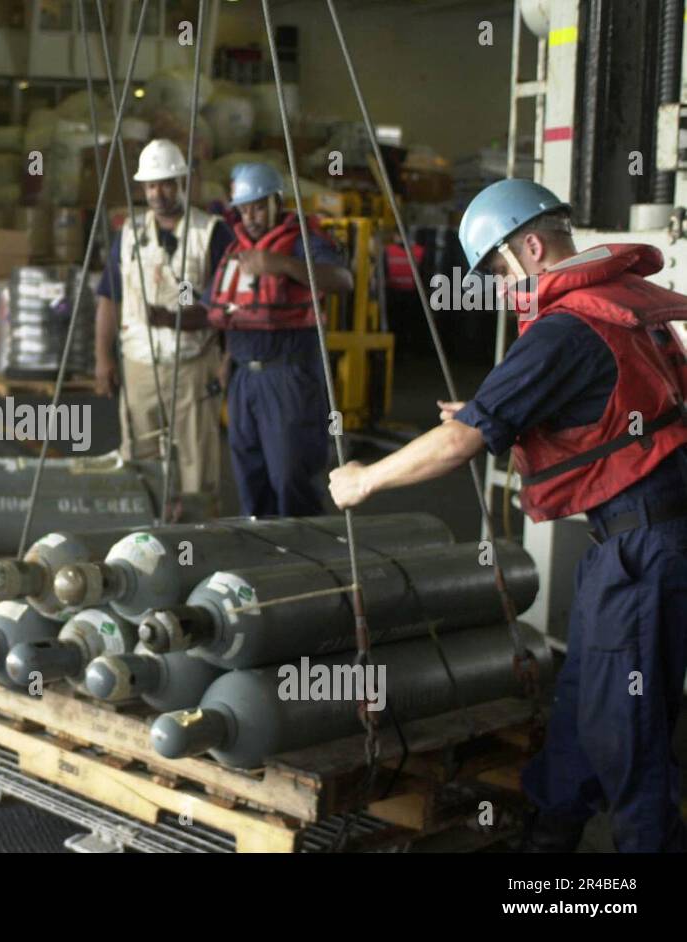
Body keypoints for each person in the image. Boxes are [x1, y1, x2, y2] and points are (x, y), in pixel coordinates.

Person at [328, 178, 687, 853]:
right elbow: (599, 407)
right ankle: (548, 846)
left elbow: (463, 443)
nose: (498, 286)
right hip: (637, 543)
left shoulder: (565, 328)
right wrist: (492, 407)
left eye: (497, 268)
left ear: (529, 245)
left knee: (627, 734)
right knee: (583, 705)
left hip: (641, 552)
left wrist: (364, 480)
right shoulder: (617, 305)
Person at [205, 163, 352, 516]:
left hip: (289, 376)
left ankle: (304, 557)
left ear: (277, 202)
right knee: (249, 475)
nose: (251, 216)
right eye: (244, 208)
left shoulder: (305, 241)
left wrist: (281, 265)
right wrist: (226, 362)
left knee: (291, 476)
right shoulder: (234, 250)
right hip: (244, 376)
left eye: (258, 206)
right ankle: (262, 557)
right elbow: (229, 309)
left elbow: (342, 280)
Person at [94, 138, 232, 499]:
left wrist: (228, 360)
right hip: (139, 364)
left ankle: (196, 541)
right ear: (143, 188)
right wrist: (103, 358)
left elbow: (231, 305)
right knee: (139, 462)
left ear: (182, 182)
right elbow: (109, 297)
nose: (159, 192)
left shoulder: (211, 232)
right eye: (152, 184)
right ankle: (144, 540)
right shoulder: (128, 235)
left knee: (197, 464)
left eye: (167, 182)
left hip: (193, 364)